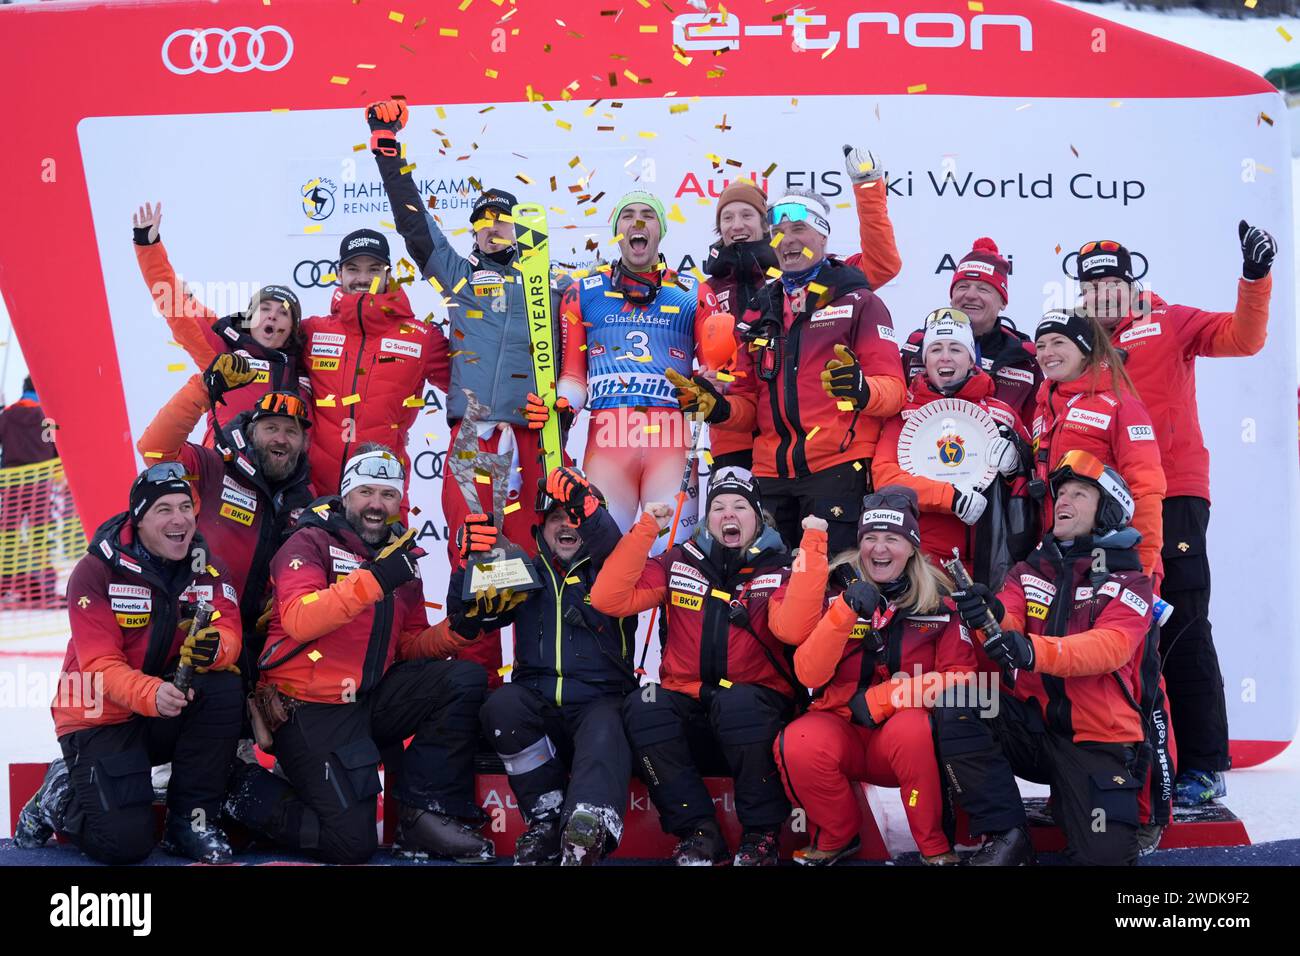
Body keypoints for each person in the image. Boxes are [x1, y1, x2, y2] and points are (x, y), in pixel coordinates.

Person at [364, 98, 573, 685]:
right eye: (481, 224)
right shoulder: (459, 276)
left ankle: (537, 681)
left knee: (539, 552)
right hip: (476, 431)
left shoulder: (554, 284)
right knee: (475, 546)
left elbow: (581, 355)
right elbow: (414, 226)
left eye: (501, 223)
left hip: (535, 437)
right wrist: (389, 152)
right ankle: (476, 684)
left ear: (520, 227)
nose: (491, 232)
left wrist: (564, 405)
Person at [1069, 226, 1276, 806]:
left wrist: (1254, 280)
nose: (1103, 293)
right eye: (1092, 285)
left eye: (1113, 281)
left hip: (1173, 496)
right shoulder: (1074, 343)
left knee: (1181, 624)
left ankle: (1204, 765)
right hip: (1095, 507)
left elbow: (1243, 339)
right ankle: (1133, 761)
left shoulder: (1172, 320)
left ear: (1131, 284)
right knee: (1109, 631)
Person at [223, 446, 493, 864]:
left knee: (461, 679)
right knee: (351, 845)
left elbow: (410, 645)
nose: (376, 504)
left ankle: (422, 813)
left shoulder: (401, 558)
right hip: (307, 707)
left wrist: (463, 629)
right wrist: (375, 579)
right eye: (366, 491)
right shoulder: (309, 540)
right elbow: (299, 618)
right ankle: (237, 790)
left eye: (387, 495)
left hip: (368, 700)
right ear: (345, 495)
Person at [939, 451, 1164, 866]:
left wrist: (1033, 651)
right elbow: (1010, 624)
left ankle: (1072, 799)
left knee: (1105, 859)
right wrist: (986, 614)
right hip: (1032, 728)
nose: (1063, 500)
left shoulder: (1132, 582)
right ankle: (1007, 835)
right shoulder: (1029, 570)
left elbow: (1109, 647)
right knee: (957, 700)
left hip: (1094, 741)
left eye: (1079, 494)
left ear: (1108, 511)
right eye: (1061, 492)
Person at [591, 467, 823, 866]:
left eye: (739, 506)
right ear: (707, 517)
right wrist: (647, 528)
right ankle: (699, 832)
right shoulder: (679, 559)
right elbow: (608, 598)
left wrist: (814, 550)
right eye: (718, 506)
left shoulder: (782, 566)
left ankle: (761, 835)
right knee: (644, 704)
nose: (728, 514)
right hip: (690, 703)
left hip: (757, 707)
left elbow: (793, 629)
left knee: (739, 704)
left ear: (757, 515)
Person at [14, 462, 244, 864]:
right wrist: (153, 694)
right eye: (164, 510)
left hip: (158, 706)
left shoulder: (207, 567)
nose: (180, 520)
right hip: (98, 716)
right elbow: (99, 665)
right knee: (124, 846)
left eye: (185, 507)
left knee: (222, 685)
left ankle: (191, 821)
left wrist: (217, 647)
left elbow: (230, 630)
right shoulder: (95, 571)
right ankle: (58, 796)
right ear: (139, 520)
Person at [672, 188, 906, 555]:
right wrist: (719, 409)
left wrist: (863, 391)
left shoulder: (859, 301)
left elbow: (893, 391)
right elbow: (750, 404)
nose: (789, 240)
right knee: (765, 596)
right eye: (780, 232)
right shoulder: (758, 311)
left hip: (838, 468)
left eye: (799, 228)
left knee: (829, 588)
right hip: (769, 478)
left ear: (823, 234)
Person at [772, 489, 977, 865]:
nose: (878, 549)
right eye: (870, 538)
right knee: (797, 741)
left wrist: (886, 699)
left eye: (891, 539)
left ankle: (934, 846)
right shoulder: (835, 588)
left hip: (901, 740)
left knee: (913, 730)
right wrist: (845, 612)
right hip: (840, 728)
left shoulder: (941, 602)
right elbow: (808, 672)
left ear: (912, 547)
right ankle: (837, 834)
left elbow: (963, 679)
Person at [455, 467, 638, 865]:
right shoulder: (524, 569)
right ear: (542, 527)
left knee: (609, 721)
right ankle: (547, 816)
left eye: (576, 516)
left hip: (599, 701)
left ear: (593, 521)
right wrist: (466, 564)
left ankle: (587, 826)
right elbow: (464, 615)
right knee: (502, 705)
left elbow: (610, 540)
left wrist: (588, 510)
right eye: (556, 517)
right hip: (537, 701)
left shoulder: (618, 570)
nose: (566, 524)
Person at [701, 145, 903, 475]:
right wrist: (713, 386)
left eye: (747, 215)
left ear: (767, 226)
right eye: (727, 217)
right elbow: (717, 364)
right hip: (736, 429)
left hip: (811, 442)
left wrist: (868, 188)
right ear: (718, 229)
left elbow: (881, 265)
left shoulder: (812, 273)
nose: (737, 225)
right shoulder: (708, 288)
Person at [137, 359, 314, 686]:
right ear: (251, 431)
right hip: (188, 623)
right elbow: (155, 449)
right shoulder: (214, 466)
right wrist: (204, 389)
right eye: (271, 428)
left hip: (255, 640)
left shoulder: (306, 500)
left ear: (304, 443)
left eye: (291, 432)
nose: (281, 439)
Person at [556, 190, 719, 535]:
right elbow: (573, 376)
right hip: (608, 443)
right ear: (617, 230)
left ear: (661, 230)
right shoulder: (582, 291)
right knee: (604, 554)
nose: (638, 222)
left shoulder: (693, 291)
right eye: (628, 216)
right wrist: (563, 407)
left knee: (671, 557)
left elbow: (713, 375)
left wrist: (710, 386)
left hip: (671, 443)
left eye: (648, 214)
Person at [872, 308, 1034, 587]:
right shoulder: (904, 414)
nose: (945, 357)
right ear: (925, 360)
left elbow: (1031, 482)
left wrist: (1016, 467)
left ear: (972, 359)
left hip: (994, 552)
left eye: (956, 349)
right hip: (925, 557)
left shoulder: (1002, 413)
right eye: (935, 349)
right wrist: (951, 498)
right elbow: (885, 479)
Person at [131, 201, 306, 442]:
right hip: (224, 471)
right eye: (264, 308)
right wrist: (147, 245)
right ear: (249, 319)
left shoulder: (302, 367)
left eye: (283, 312)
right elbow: (177, 312)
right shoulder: (221, 354)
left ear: (292, 330)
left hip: (278, 474)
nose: (272, 315)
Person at [300, 229, 451, 498]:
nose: (363, 278)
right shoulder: (312, 331)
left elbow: (470, 384)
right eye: (353, 268)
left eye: (373, 269)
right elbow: (260, 346)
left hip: (382, 494)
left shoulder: (421, 337)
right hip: (312, 492)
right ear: (339, 273)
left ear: (388, 274)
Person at [1031, 309, 1165, 580]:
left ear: (1084, 349)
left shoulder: (1120, 404)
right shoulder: (1043, 407)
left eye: (1058, 342)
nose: (1047, 353)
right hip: (1057, 554)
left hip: (1110, 555)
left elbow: (1146, 487)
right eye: (1041, 346)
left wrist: (1144, 565)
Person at [899, 238, 1041, 426]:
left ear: (1003, 302)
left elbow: (1037, 430)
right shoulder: (917, 346)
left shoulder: (1024, 359)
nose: (971, 295)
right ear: (952, 297)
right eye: (963, 287)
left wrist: (1017, 447)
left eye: (983, 289)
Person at [0, 375, 60, 604]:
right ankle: (43, 584)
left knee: (9, 534)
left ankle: (5, 582)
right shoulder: (47, 416)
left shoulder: (7, 415)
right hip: (39, 483)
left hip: (11, 482)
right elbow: (56, 447)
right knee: (40, 534)